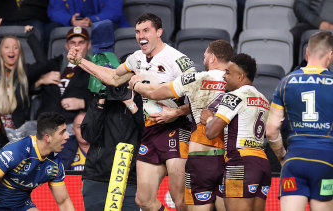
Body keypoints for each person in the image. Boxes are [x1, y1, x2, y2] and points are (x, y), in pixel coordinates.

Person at [68, 13, 195, 211]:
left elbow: (202, 97)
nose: (140, 35)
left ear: (159, 32)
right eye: (137, 31)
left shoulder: (178, 60)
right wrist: (80, 61)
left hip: (174, 128)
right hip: (149, 132)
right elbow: (113, 78)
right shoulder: (136, 58)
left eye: (146, 30)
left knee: (179, 198)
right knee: (143, 201)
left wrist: (177, 112)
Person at [128, 40, 234, 211]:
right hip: (231, 155)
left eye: (206, 55)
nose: (203, 57)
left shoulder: (196, 78)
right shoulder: (238, 84)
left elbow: (155, 92)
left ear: (213, 57)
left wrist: (136, 84)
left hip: (202, 154)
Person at [266, 31, 333, 211]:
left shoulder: (286, 82)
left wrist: (282, 157)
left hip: (295, 159)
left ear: (306, 53)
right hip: (326, 161)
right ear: (331, 55)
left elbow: (271, 130)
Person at [204, 53, 271, 211]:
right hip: (262, 165)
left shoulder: (234, 96)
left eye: (228, 72)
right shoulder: (264, 100)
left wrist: (208, 119)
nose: (224, 76)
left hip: (239, 164)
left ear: (240, 76)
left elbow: (211, 132)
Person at [0, 112, 75, 210]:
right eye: (62, 132)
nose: (67, 136)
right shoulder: (17, 151)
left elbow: (64, 202)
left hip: (21, 205)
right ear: (47, 137)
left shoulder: (55, 163)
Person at [0, 17, 47, 129]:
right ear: (0, 52)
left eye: (15, 47)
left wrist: (31, 36)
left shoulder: (25, 71)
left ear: (20, 52)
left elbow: (43, 63)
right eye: (6, 47)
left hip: (15, 128)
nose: (11, 51)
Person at [81, 89, 143, 210]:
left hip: (130, 180)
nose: (120, 89)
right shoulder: (100, 101)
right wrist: (101, 101)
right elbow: (89, 135)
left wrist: (131, 104)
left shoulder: (142, 101)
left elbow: (149, 133)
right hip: (97, 177)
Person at [34, 26, 93, 124]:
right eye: (72, 43)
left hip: (72, 124)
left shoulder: (94, 69)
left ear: (89, 45)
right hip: (43, 122)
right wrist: (40, 81)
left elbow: (105, 100)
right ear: (67, 46)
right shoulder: (52, 64)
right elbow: (27, 88)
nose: (76, 47)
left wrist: (83, 103)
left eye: (81, 42)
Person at [291, 0, 333, 68]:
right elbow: (300, 6)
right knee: (296, 34)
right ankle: (297, 71)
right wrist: (318, 23)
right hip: (313, 24)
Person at [47, 0, 130, 28]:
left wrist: (92, 20)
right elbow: (55, 11)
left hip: (104, 23)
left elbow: (113, 11)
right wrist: (70, 20)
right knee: (51, 28)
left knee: (107, 26)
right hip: (71, 24)